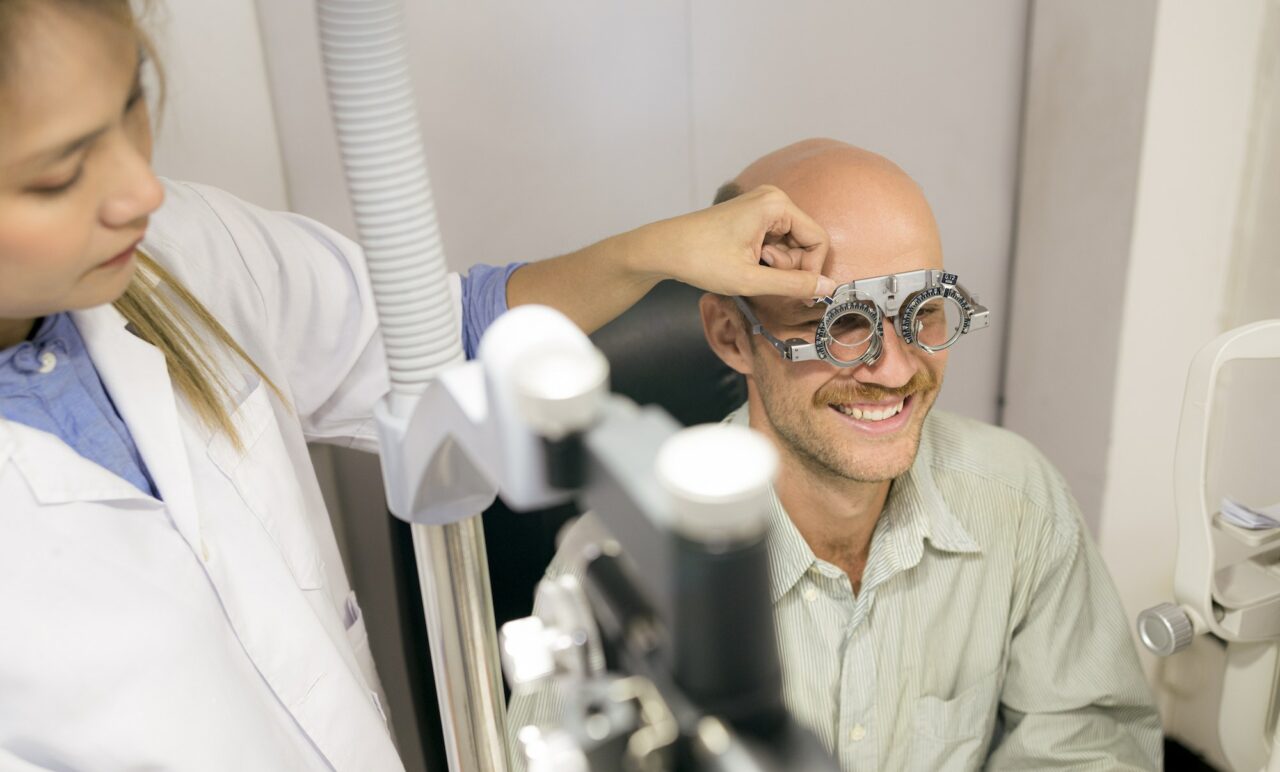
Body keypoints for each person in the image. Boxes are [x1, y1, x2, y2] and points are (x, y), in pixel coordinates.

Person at [0, 2, 838, 770]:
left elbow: (436, 341)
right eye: (57, 175)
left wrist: (659, 249)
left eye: (132, 105)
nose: (140, 188)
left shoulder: (182, 251)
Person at [507, 139, 1163, 771]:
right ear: (733, 337)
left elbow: (1090, 747)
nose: (895, 369)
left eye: (924, 311)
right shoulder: (623, 569)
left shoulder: (1017, 503)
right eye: (841, 323)